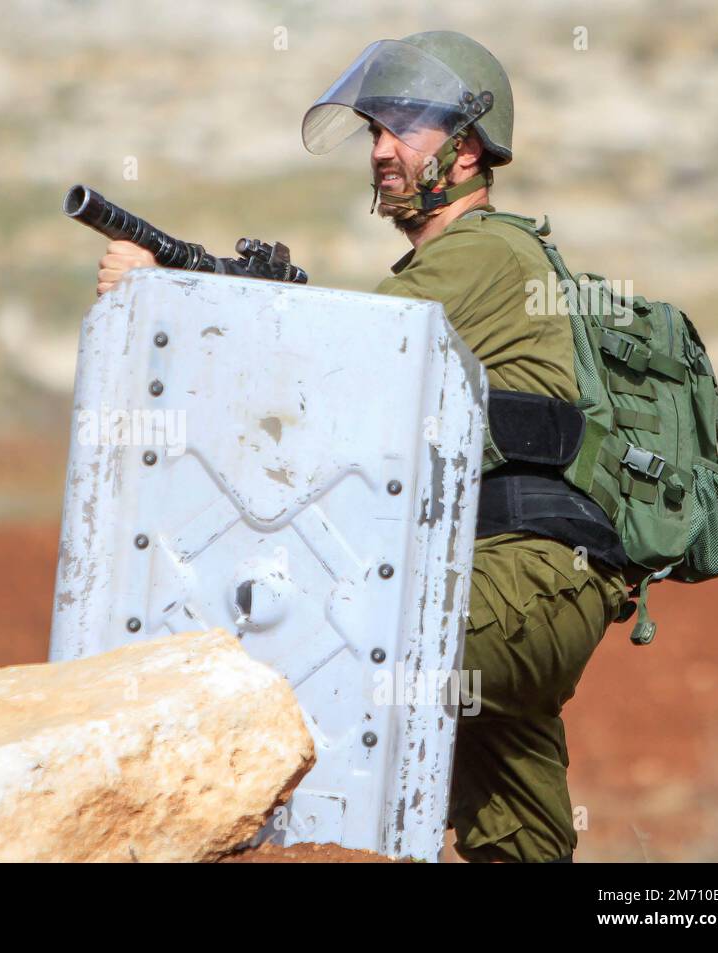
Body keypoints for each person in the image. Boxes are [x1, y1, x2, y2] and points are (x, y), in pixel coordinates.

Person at [95, 32, 632, 863]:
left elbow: (337, 370)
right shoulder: (465, 264)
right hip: (513, 577)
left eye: (404, 127)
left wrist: (163, 294)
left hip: (522, 577)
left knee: (347, 643)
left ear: (467, 147)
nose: (380, 149)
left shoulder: (485, 253)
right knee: (523, 842)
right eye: (374, 129)